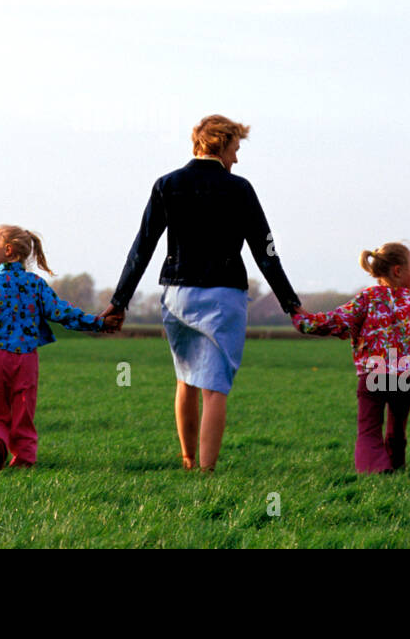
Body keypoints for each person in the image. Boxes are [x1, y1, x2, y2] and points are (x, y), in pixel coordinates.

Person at [102, 114, 301, 473]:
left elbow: (142, 248)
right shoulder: (240, 190)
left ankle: (189, 461)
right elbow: (266, 252)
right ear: (221, 144)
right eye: (235, 149)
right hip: (223, 297)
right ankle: (207, 470)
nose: (236, 159)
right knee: (215, 388)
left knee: (186, 379)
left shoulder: (167, 185)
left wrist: (119, 302)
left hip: (177, 296)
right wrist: (292, 304)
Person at [292, 242, 410, 474]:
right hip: (404, 378)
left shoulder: (366, 298)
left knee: (368, 430)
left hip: (373, 376)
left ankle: (374, 470)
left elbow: (335, 320)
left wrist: (302, 319)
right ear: (398, 271)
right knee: (397, 430)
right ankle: (396, 467)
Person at [0, 225, 104, 472]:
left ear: (8, 250)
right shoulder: (36, 284)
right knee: (23, 411)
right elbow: (62, 312)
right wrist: (98, 322)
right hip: (26, 360)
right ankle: (24, 460)